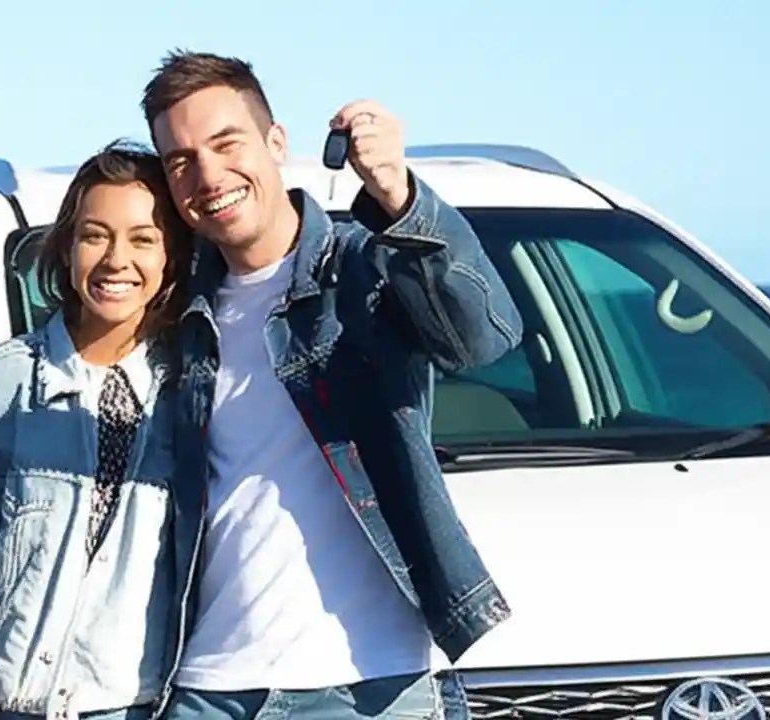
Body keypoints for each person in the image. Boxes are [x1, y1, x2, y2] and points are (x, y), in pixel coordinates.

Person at [139, 51, 526, 719]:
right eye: (181, 161)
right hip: (206, 690)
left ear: (276, 142)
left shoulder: (363, 271)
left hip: (370, 686)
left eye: (226, 143)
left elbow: (481, 336)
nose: (208, 175)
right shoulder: (175, 313)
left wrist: (399, 194)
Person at [0, 140, 198, 720]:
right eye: (95, 235)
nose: (116, 259)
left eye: (143, 238)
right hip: (21, 704)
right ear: (68, 246)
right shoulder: (6, 382)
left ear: (170, 256)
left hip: (145, 706)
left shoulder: (191, 390)